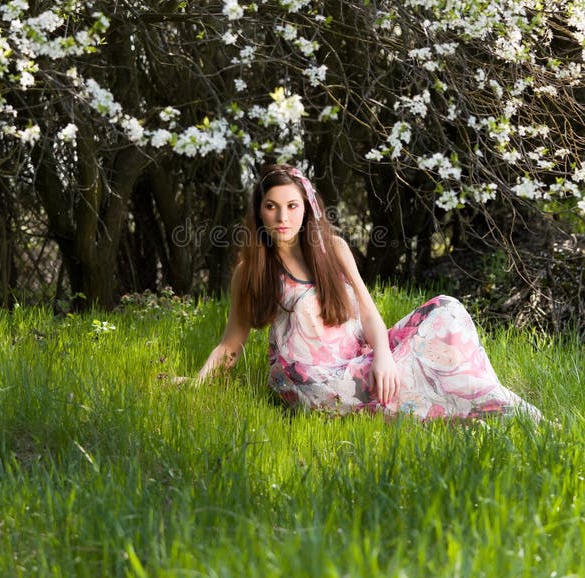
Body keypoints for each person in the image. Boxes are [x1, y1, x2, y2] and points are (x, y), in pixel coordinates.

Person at [187, 163, 542, 422]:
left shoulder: (334, 249)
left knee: (446, 310)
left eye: (292, 206)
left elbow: (369, 314)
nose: (282, 216)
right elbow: (230, 345)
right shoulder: (251, 272)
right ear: (258, 211)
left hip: (361, 359)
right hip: (314, 382)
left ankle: (495, 402)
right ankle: (491, 410)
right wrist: (196, 384)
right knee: (417, 367)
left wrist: (384, 355)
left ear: (307, 208)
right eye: (271, 206)